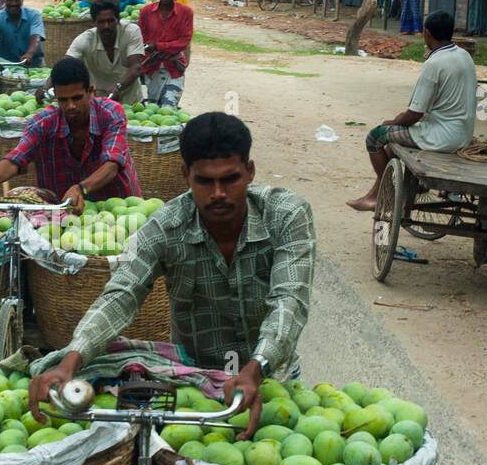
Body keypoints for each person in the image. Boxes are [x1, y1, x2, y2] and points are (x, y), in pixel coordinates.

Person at [28, 111, 314, 435]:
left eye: (230, 179)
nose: (218, 193)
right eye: (204, 181)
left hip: (270, 374)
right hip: (195, 380)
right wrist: (71, 360)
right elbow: (121, 294)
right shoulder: (164, 227)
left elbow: (289, 299)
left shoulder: (286, 214)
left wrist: (255, 368)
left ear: (249, 172)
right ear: (185, 176)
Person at [0, 57, 141, 215]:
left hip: (117, 207)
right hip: (63, 210)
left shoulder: (111, 114)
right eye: (63, 100)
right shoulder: (42, 124)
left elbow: (112, 164)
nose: (70, 106)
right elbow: (15, 160)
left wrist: (80, 188)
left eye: (77, 98)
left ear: (90, 92)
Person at [347, 10, 475, 211]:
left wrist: (392, 122)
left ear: (427, 33)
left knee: (376, 136)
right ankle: (375, 194)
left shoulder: (434, 63)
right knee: (390, 144)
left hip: (441, 135)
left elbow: (414, 114)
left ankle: (387, 190)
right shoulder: (464, 55)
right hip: (462, 132)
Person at [64, 0, 144, 104]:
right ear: (94, 22)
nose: (106, 26)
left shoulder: (131, 32)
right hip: (102, 101)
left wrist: (118, 87)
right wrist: (46, 88)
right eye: (101, 22)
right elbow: (64, 66)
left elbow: (136, 67)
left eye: (110, 21)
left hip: (132, 101)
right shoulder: (85, 40)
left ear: (118, 19)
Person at [137, 0, 194, 108]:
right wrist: (151, 47)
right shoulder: (146, 12)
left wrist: (157, 46)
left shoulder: (186, 12)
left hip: (174, 68)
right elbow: (141, 36)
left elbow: (184, 41)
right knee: (154, 107)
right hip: (152, 67)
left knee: (168, 108)